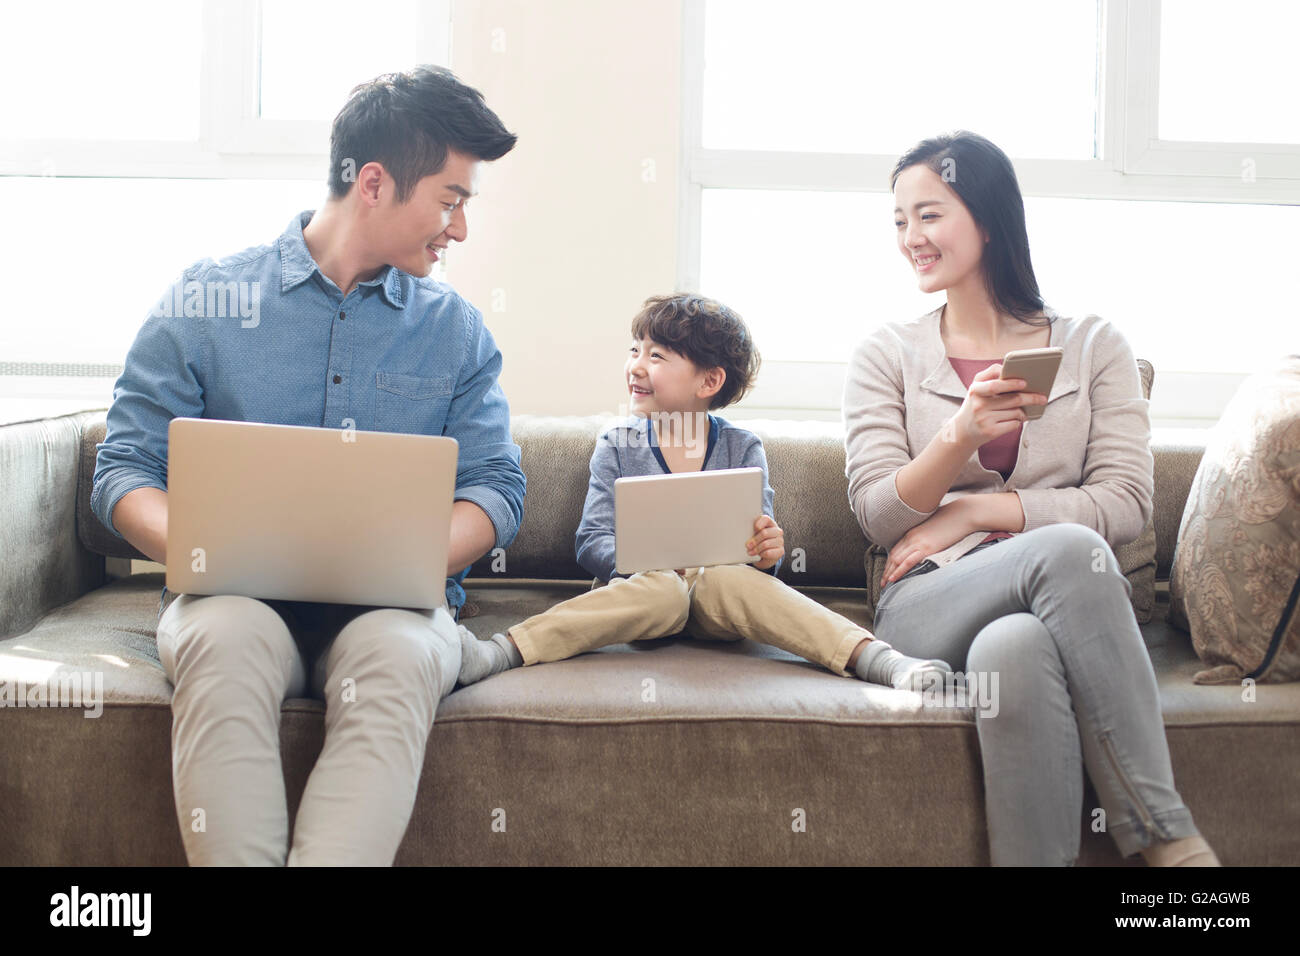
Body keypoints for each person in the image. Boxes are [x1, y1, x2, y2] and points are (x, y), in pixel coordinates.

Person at [90, 66, 526, 865]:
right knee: (222, 638)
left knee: (398, 653)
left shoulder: (455, 332)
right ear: (373, 182)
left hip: (392, 615)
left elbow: (496, 490)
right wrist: (200, 545)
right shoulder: (206, 301)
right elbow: (124, 468)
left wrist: (399, 562)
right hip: (235, 601)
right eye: (451, 200)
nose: (458, 229)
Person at [842, 130, 1219, 866]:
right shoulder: (885, 354)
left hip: (1077, 603)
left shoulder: (1092, 345)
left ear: (987, 217)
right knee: (1071, 549)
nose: (910, 238)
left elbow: (1127, 501)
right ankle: (1172, 844)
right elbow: (879, 516)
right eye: (898, 221)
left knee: (1014, 647)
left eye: (929, 215)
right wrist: (957, 434)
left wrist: (977, 508)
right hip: (929, 596)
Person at [456, 292, 951, 690]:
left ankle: (881, 661)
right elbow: (591, 541)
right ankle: (501, 651)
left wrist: (765, 553)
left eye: (657, 356)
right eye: (635, 351)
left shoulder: (742, 446)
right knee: (663, 589)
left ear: (708, 380)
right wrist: (638, 561)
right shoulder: (618, 444)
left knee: (728, 582)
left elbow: (758, 554)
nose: (636, 365)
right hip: (648, 594)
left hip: (722, 597)